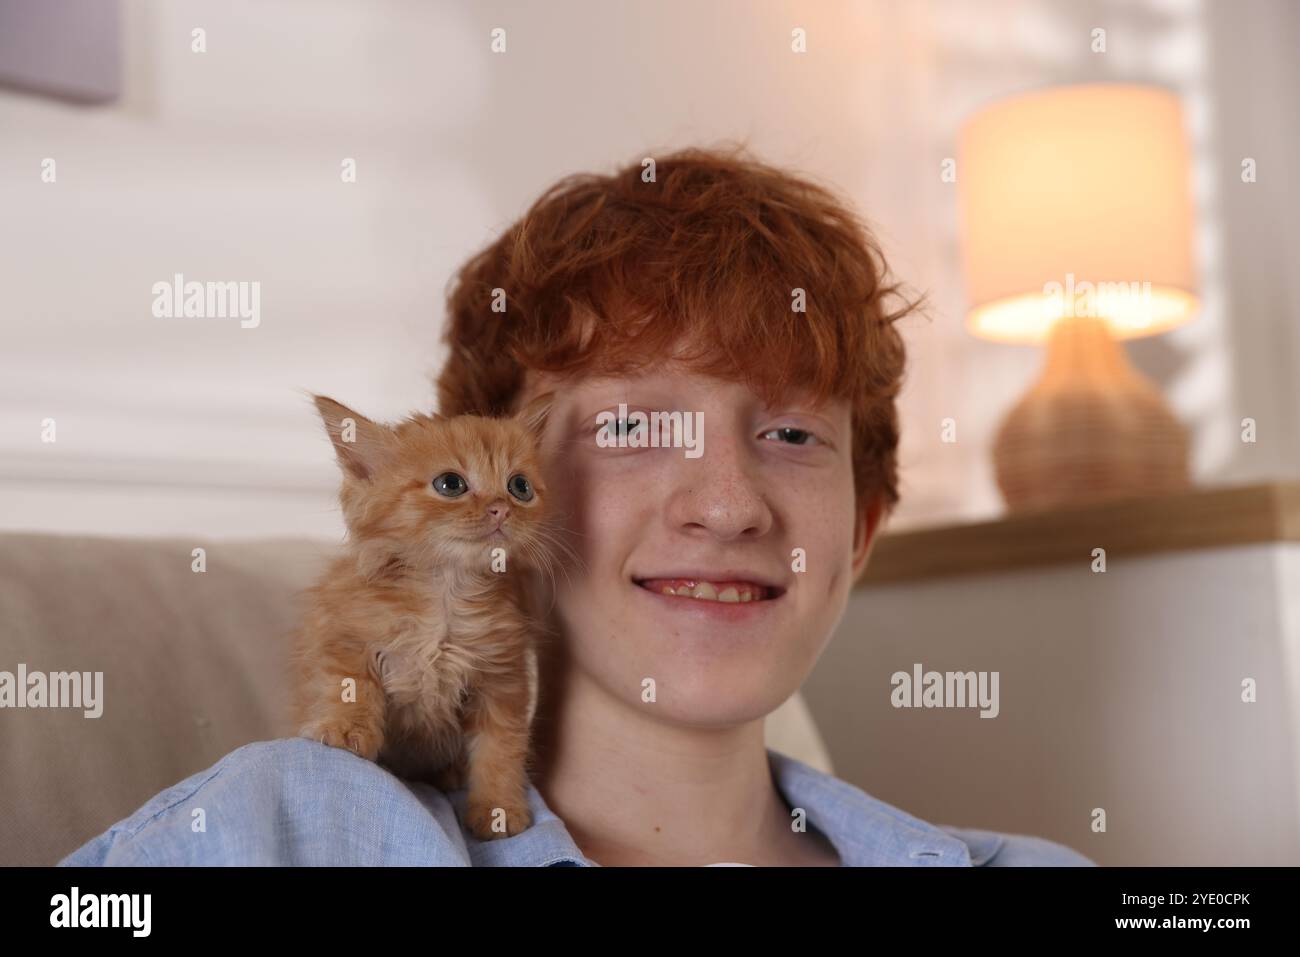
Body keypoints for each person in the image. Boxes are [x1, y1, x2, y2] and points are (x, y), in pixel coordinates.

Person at [62, 146, 1093, 867]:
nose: (730, 505)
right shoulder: (291, 831)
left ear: (859, 530)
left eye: (789, 434)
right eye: (634, 428)